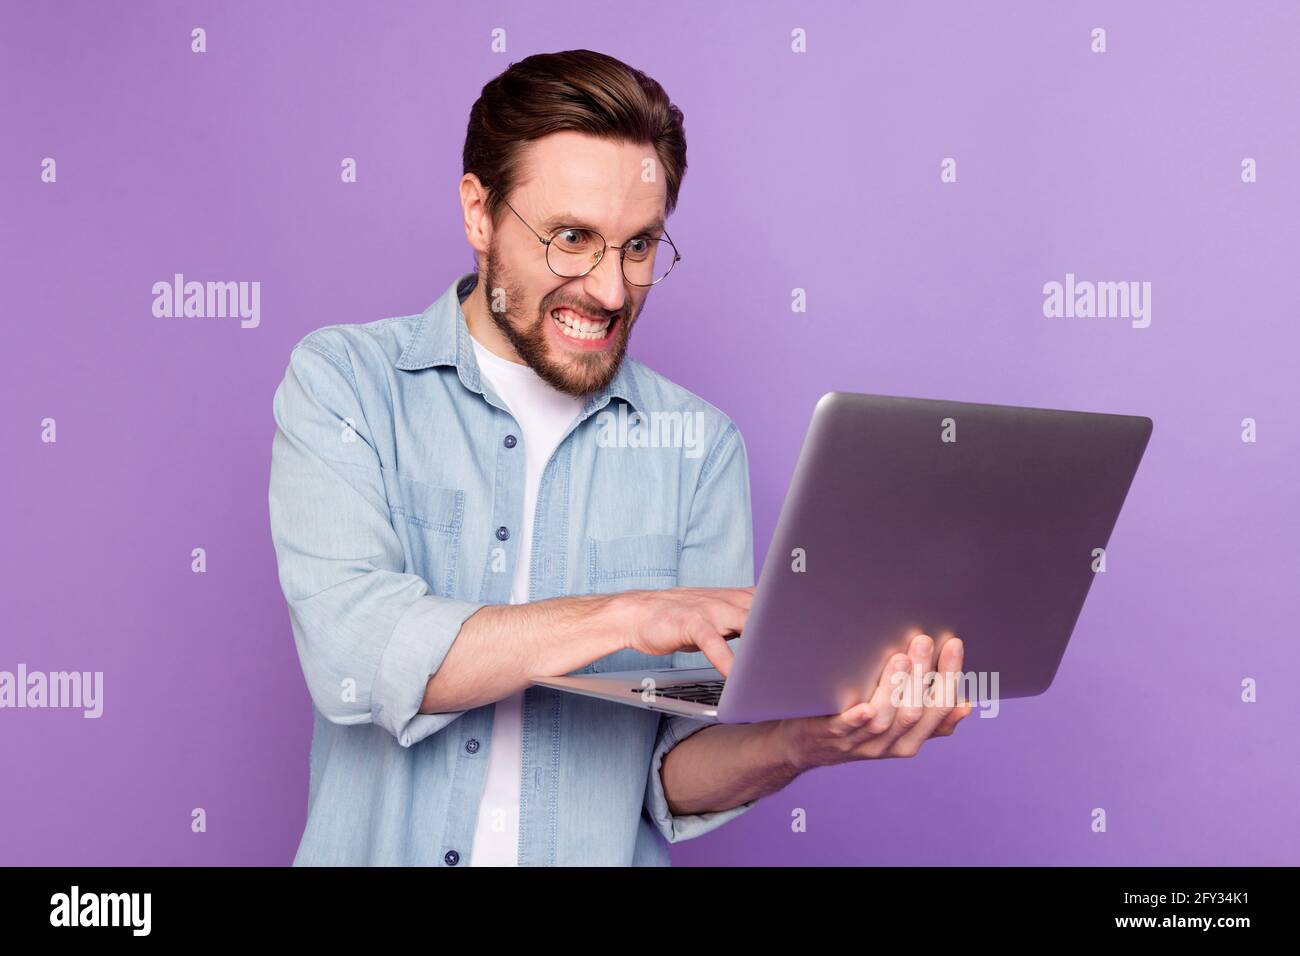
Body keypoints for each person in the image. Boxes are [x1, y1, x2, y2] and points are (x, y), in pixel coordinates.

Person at [267, 48, 971, 867]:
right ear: (477, 212)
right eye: (573, 239)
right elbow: (359, 651)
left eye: (639, 247)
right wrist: (627, 615)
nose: (609, 290)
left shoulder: (699, 446)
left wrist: (806, 740)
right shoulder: (349, 384)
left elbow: (673, 772)